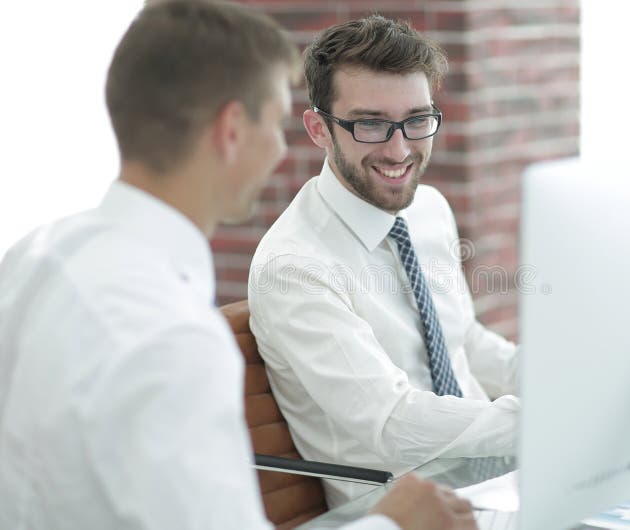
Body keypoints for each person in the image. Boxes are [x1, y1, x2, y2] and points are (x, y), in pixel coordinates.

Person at [0, 2, 476, 530]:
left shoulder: (33, 258)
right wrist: (395, 523)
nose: (279, 149)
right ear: (231, 129)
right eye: (274, 121)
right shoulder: (175, 336)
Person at [248, 15, 520, 507]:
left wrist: (559, 382)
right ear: (319, 129)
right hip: (394, 509)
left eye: (417, 120)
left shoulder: (429, 208)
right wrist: (533, 423)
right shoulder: (293, 266)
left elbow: (465, 341)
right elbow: (389, 423)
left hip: (496, 482)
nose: (399, 150)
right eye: (370, 124)